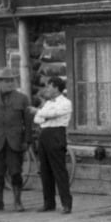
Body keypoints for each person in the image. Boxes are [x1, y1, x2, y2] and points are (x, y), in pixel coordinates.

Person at [0, 67, 34, 212]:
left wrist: (27, 141)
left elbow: (28, 122)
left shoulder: (22, 99)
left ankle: (17, 202)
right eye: (7, 81)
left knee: (16, 172)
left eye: (12, 80)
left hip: (15, 142)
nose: (11, 83)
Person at [33, 76, 73, 214]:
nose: (47, 89)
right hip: (44, 135)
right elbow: (37, 119)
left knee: (59, 171)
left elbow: (55, 114)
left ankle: (66, 204)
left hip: (56, 135)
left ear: (56, 87)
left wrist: (42, 113)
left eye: (49, 86)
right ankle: (48, 203)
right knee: (45, 171)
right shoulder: (48, 103)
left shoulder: (66, 102)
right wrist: (43, 114)